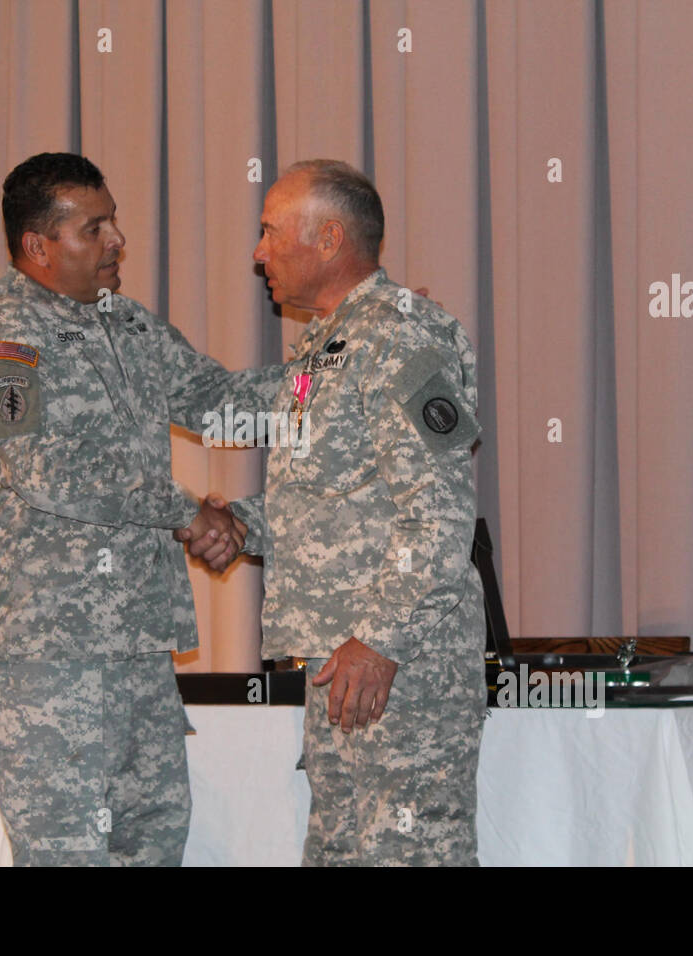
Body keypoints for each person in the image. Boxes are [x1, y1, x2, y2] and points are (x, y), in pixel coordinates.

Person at [0, 152, 278, 865]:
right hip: (49, 665)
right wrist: (184, 510)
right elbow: (44, 467)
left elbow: (223, 403)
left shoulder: (127, 326)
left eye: (114, 220)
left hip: (138, 653)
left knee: (152, 846)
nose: (118, 239)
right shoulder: (1, 339)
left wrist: (343, 364)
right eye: (95, 227)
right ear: (39, 246)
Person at [189, 160, 486, 865]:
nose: (257, 252)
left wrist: (380, 640)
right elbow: (330, 498)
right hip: (342, 666)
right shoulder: (325, 347)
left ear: (327, 238)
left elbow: (439, 513)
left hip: (402, 667)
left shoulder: (402, 336)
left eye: (268, 232)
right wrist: (242, 525)